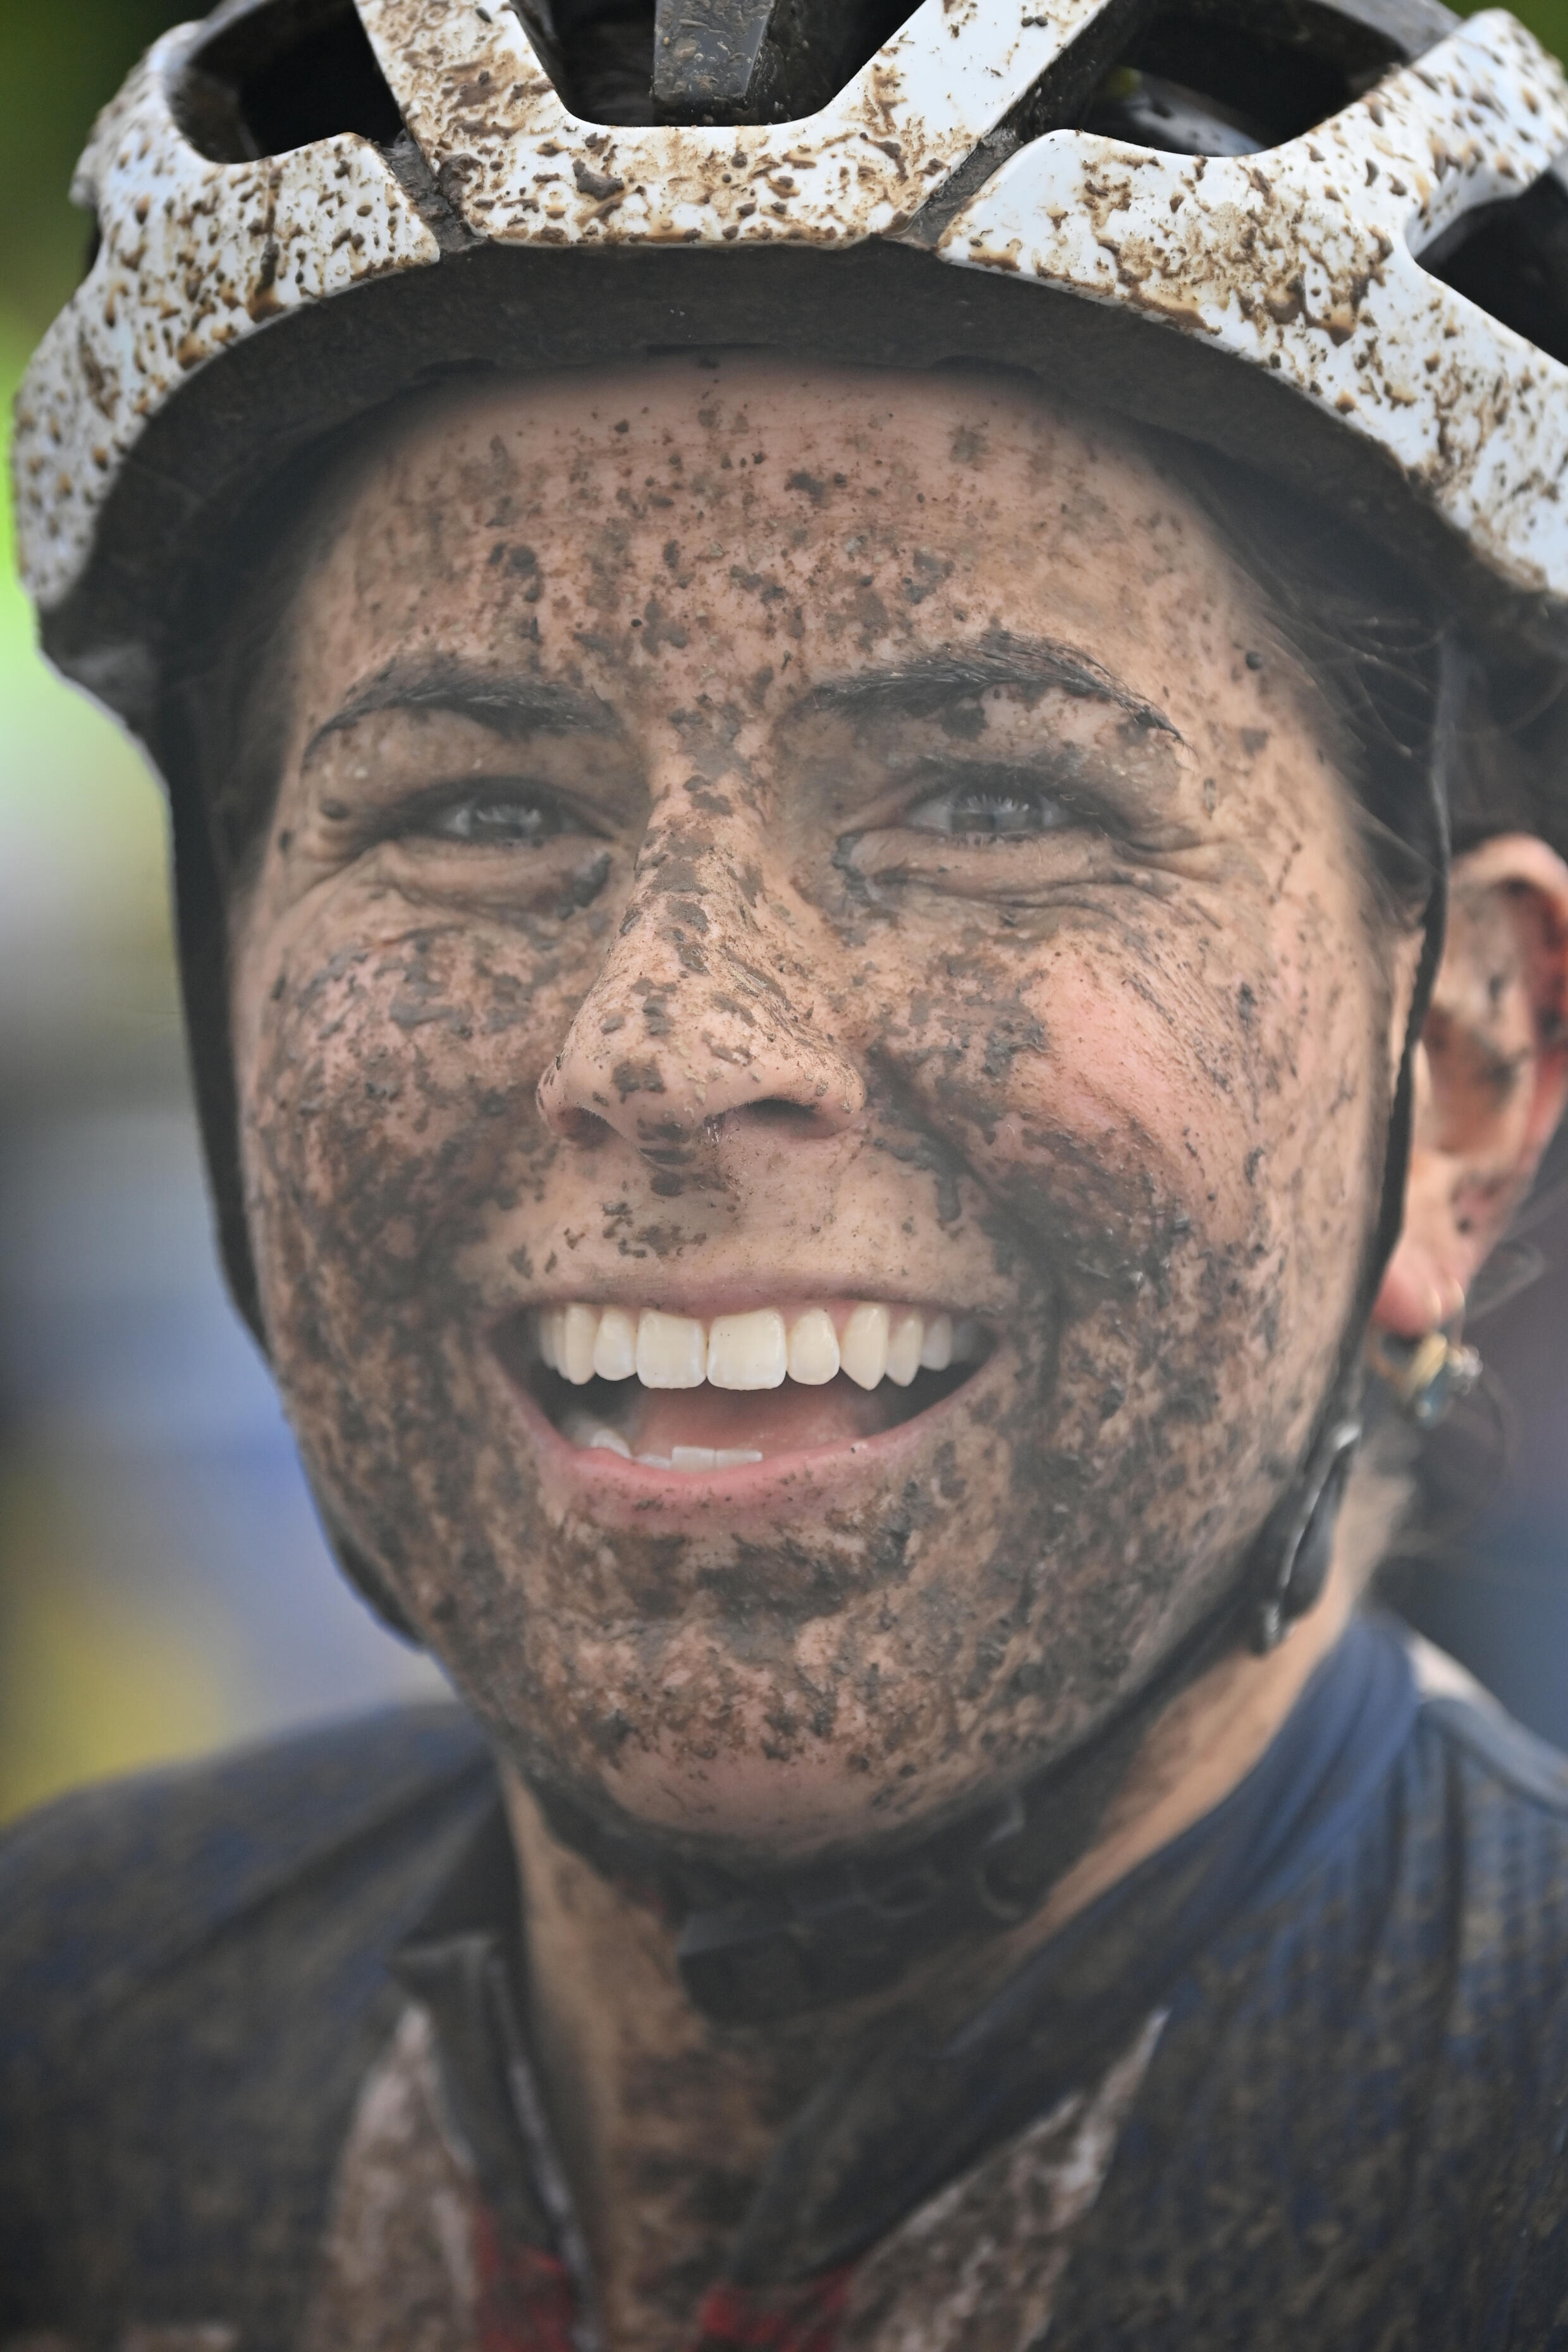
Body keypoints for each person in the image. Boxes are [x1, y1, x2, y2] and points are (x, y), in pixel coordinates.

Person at [9, 0, 1568, 2344]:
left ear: (1461, 1071)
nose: (678, 1047)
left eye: (997, 801)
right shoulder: (67, 2050)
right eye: (474, 810)